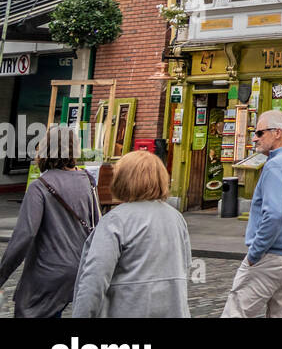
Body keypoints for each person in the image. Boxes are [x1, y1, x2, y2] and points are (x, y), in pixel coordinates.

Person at [68, 150, 191, 317]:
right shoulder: (176, 217)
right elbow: (184, 267)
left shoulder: (116, 220)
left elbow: (94, 278)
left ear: (122, 180)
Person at [222, 109, 282, 318]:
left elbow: (274, 215)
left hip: (274, 255)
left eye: (260, 133)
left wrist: (255, 253)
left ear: (277, 133)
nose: (255, 138)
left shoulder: (276, 166)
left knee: (236, 312)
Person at [0, 125, 98, 317]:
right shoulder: (87, 179)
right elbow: (96, 224)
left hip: (47, 271)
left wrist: (2, 274)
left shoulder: (40, 187)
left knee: (28, 311)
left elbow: (24, 236)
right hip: (79, 270)